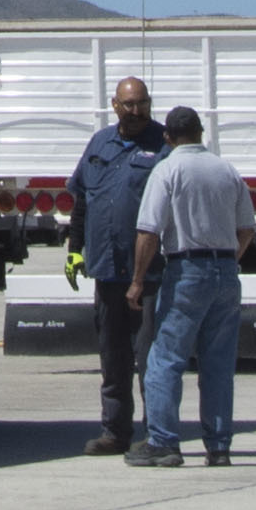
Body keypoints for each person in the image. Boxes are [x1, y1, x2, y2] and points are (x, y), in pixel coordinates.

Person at [131, 103, 249, 464]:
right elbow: (246, 228)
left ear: (168, 137)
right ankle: (218, 445)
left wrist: (137, 281)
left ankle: (164, 442)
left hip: (186, 269)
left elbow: (149, 232)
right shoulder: (226, 170)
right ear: (201, 134)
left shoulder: (168, 170)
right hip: (226, 269)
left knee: (165, 358)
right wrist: (227, 261)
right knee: (217, 364)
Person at [64, 73, 167, 456]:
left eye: (142, 103)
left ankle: (157, 433)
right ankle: (115, 430)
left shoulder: (163, 144)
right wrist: (75, 250)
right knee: (113, 356)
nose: (137, 111)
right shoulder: (99, 143)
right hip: (106, 269)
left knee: (149, 356)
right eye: (129, 104)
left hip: (149, 273)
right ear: (115, 106)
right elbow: (82, 202)